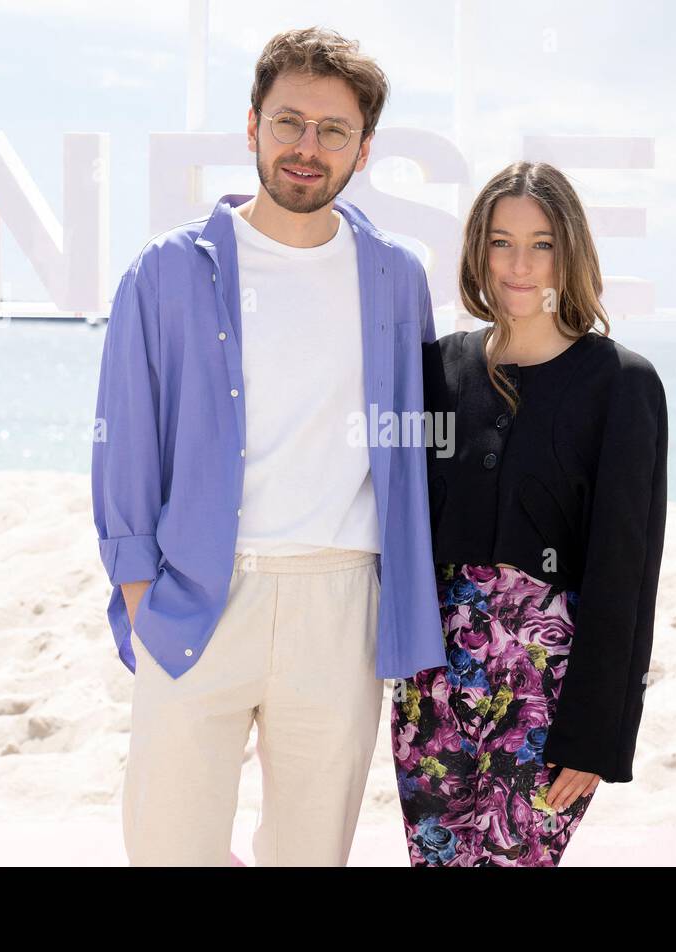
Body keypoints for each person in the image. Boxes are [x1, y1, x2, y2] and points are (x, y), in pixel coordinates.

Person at [91, 27, 445, 867]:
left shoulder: (398, 277)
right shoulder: (166, 271)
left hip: (339, 605)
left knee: (309, 855)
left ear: (363, 151)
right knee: (169, 848)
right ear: (251, 127)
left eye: (333, 131)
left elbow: (420, 448)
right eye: (289, 123)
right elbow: (124, 442)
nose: (306, 148)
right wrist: (141, 592)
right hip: (196, 598)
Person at [390, 161, 669, 866]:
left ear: (570, 251)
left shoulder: (620, 385)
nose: (519, 265)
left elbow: (626, 574)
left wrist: (599, 732)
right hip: (431, 685)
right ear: (477, 250)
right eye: (500, 241)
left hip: (548, 695)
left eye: (541, 243)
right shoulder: (438, 370)